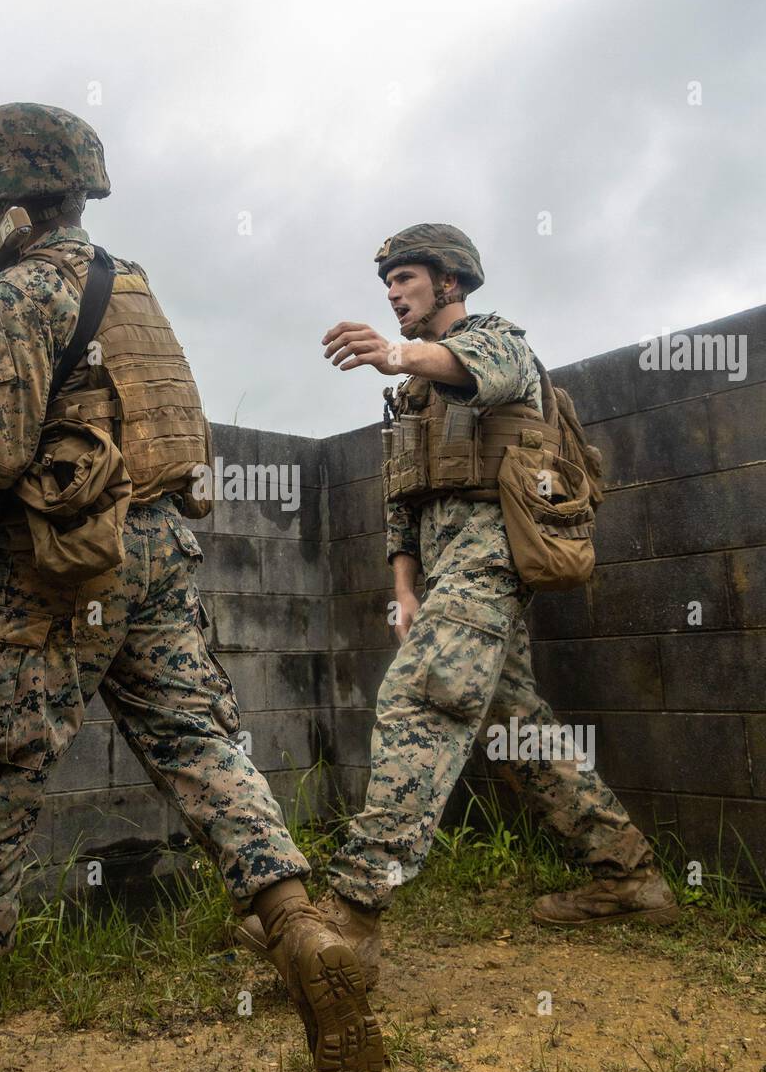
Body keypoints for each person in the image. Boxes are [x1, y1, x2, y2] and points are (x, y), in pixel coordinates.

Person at [0, 101, 383, 1072]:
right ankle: (303, 932)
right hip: (155, 556)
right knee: (201, 750)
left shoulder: (14, 294)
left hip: (62, 567)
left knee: (4, 768)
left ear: (3, 196)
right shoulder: (124, 285)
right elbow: (52, 344)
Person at [239, 222, 678, 989]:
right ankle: (627, 874)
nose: (393, 293)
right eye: (388, 284)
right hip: (445, 577)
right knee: (520, 729)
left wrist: (394, 349)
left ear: (450, 282)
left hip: (494, 561)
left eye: (406, 278)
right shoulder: (410, 395)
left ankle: (353, 915)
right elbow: (401, 501)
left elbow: (478, 371)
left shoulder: (497, 341)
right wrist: (405, 590)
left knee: (420, 699)